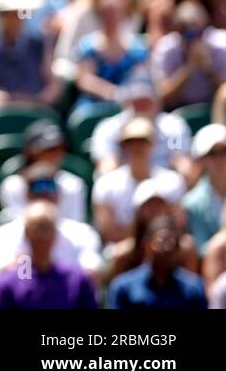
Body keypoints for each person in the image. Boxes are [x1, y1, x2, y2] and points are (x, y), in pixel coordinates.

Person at [92, 117, 186, 246]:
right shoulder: (106, 184)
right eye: (131, 141)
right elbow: (109, 233)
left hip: (164, 246)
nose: (137, 147)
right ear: (123, 145)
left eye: (143, 141)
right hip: (124, 250)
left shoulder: (172, 181)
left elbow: (179, 226)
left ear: (153, 144)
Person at [0, 202, 98, 309]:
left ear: (55, 234)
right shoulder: (9, 282)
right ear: (26, 234)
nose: (42, 236)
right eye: (36, 228)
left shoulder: (76, 279)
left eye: (46, 228)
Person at [108, 217, 208, 309]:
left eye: (171, 242)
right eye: (160, 242)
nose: (166, 248)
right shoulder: (124, 288)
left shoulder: (193, 289)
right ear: (146, 246)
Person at [0, 121, 88, 223]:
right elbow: (18, 229)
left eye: (59, 149)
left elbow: (74, 227)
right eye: (48, 149)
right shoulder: (12, 186)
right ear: (30, 152)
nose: (55, 154)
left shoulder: (72, 185)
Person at [184, 124, 226, 253]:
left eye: (224, 151)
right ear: (200, 160)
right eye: (212, 154)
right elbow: (201, 250)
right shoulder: (191, 203)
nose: (220, 159)